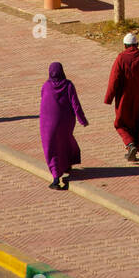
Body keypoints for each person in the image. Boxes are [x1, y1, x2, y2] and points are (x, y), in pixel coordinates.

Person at [104, 31, 139, 161]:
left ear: (125, 45)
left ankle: (130, 144)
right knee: (137, 123)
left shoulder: (121, 58)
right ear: (137, 44)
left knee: (120, 123)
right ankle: (132, 150)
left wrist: (109, 98)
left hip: (124, 98)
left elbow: (114, 79)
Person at [40, 61, 88, 191]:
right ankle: (67, 164)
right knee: (65, 142)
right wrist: (82, 120)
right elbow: (75, 104)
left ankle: (56, 177)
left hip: (48, 124)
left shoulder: (46, 86)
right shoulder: (68, 85)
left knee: (52, 149)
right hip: (66, 122)